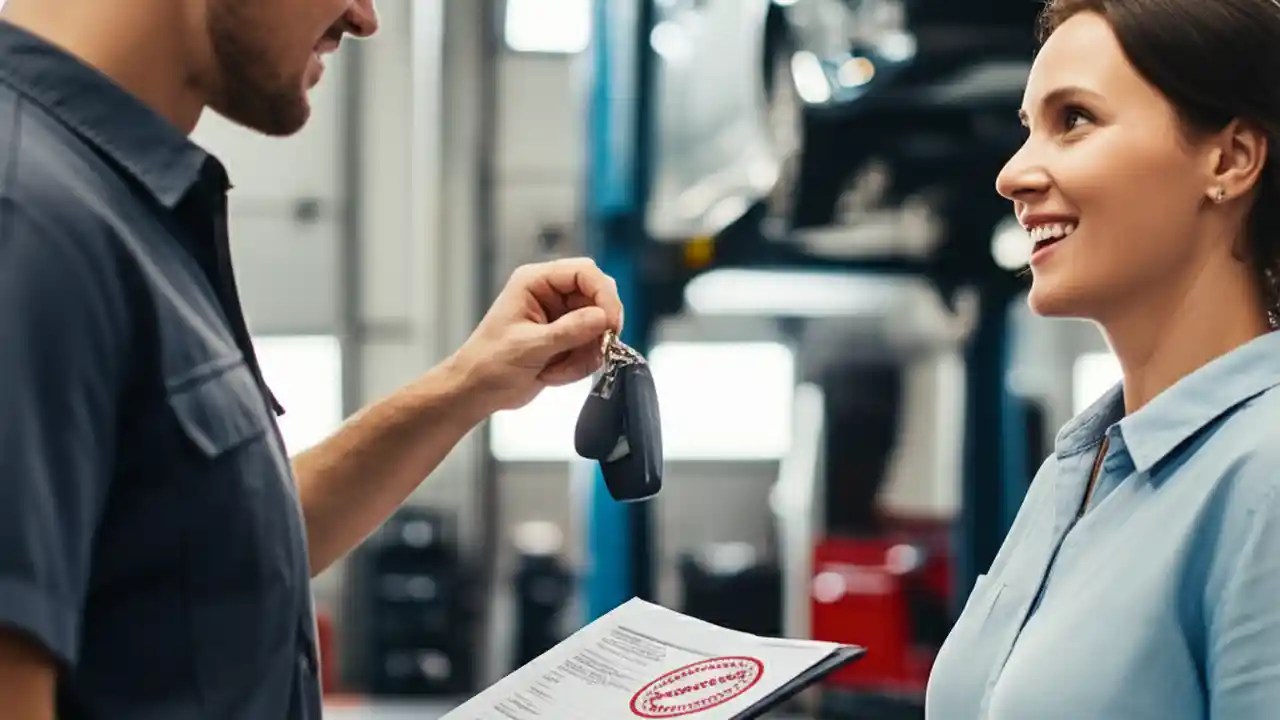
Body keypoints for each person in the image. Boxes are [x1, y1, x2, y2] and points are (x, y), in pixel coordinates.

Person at [0, 0, 624, 717]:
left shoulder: (106, 203)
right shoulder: (26, 218)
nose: (363, 17)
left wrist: (469, 384)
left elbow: (205, 558)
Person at [925, 0, 1280, 717]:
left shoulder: (1264, 472)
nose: (1013, 175)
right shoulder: (1078, 471)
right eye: (1030, 130)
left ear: (1230, 159)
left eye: (1075, 120)